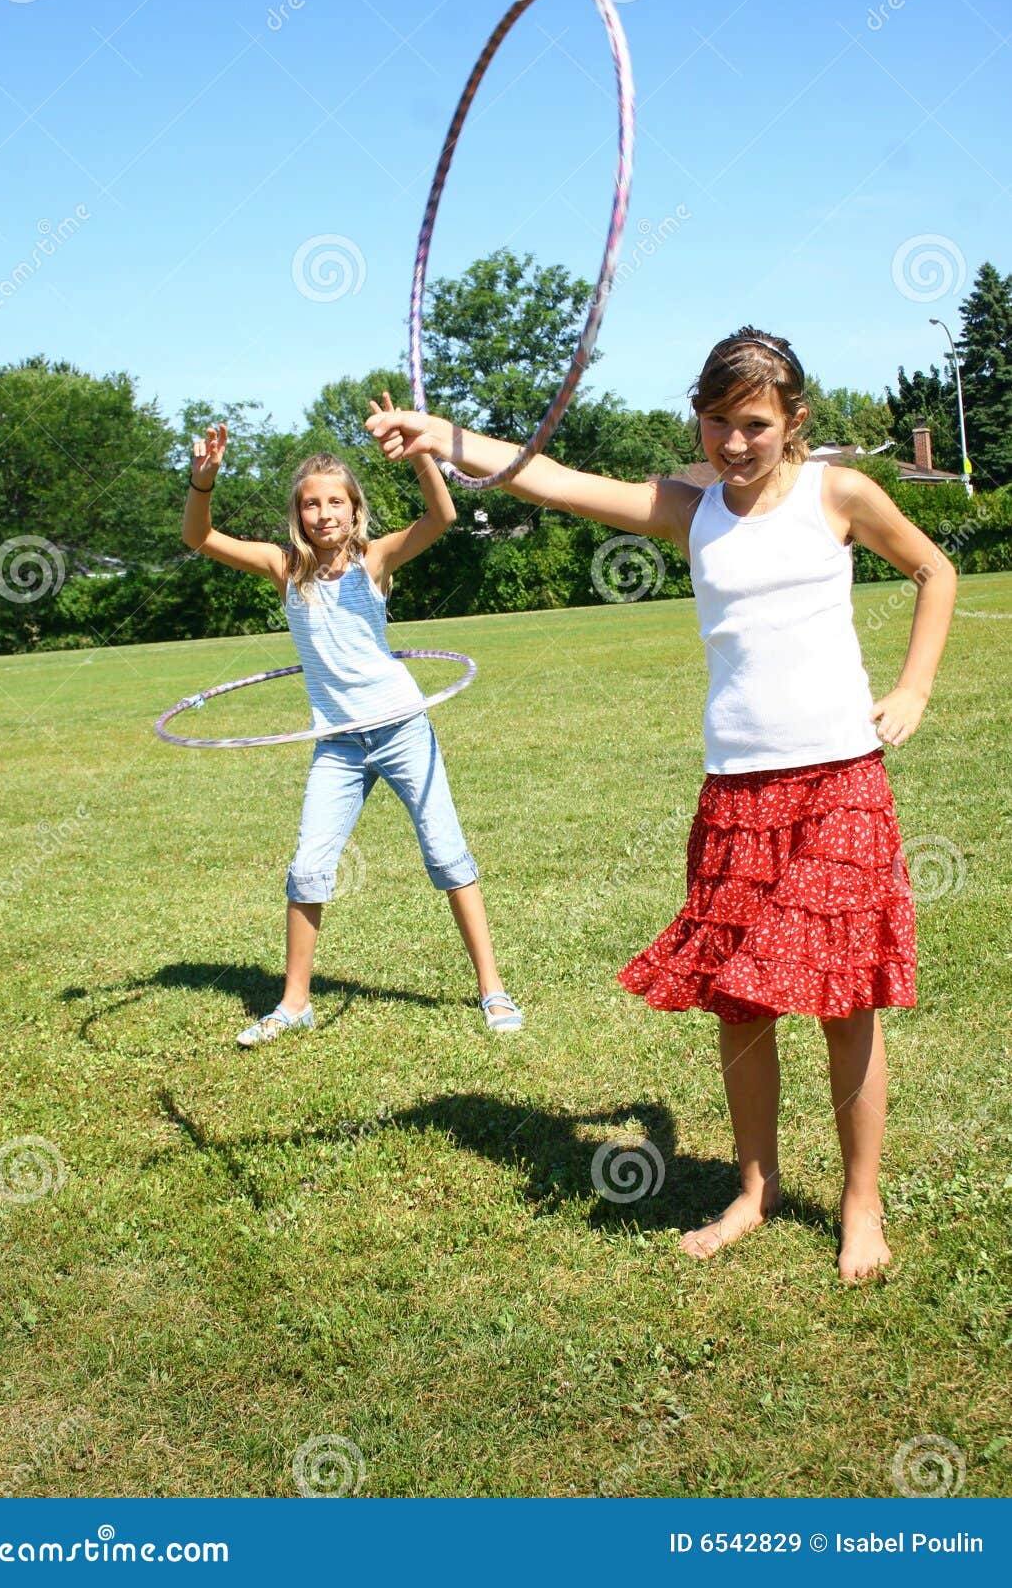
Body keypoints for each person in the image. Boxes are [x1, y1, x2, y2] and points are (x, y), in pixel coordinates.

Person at [365, 328, 958, 1280]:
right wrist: (439, 434)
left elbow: (935, 570)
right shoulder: (691, 512)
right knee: (742, 1003)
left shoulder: (836, 494)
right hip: (736, 788)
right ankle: (754, 1188)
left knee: (846, 1003)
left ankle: (860, 1203)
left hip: (840, 778)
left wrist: (914, 687)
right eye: (716, 421)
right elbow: (547, 477)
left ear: (793, 421)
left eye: (754, 423)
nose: (733, 442)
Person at [182, 401, 522, 1047]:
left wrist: (418, 446)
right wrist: (204, 481)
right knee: (308, 868)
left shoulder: (374, 563)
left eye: (335, 502)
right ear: (298, 514)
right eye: (311, 505)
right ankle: (294, 1002)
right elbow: (199, 539)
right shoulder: (285, 569)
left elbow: (442, 515)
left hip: (399, 727)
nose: (323, 514)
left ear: (354, 508)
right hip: (336, 743)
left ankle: (491, 989)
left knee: (446, 854)